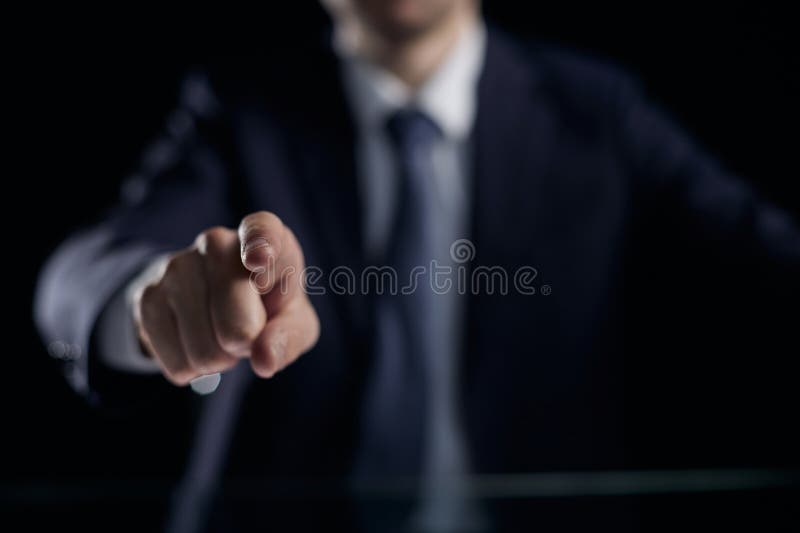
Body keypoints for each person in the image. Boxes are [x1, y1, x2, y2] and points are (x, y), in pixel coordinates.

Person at [34, 0, 799, 531]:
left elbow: (761, 252)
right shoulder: (239, 109)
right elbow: (82, 275)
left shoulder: (596, 112)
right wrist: (155, 302)